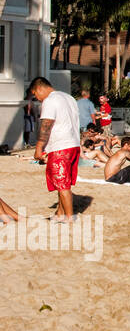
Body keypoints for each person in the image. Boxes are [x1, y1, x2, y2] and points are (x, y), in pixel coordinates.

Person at [29, 78, 82, 223]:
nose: (38, 99)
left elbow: (46, 125)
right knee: (63, 182)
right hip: (73, 144)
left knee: (62, 183)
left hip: (61, 146)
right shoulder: (69, 98)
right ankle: (60, 213)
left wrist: (39, 148)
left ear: (39, 88)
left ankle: (69, 217)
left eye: (35, 95)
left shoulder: (50, 100)